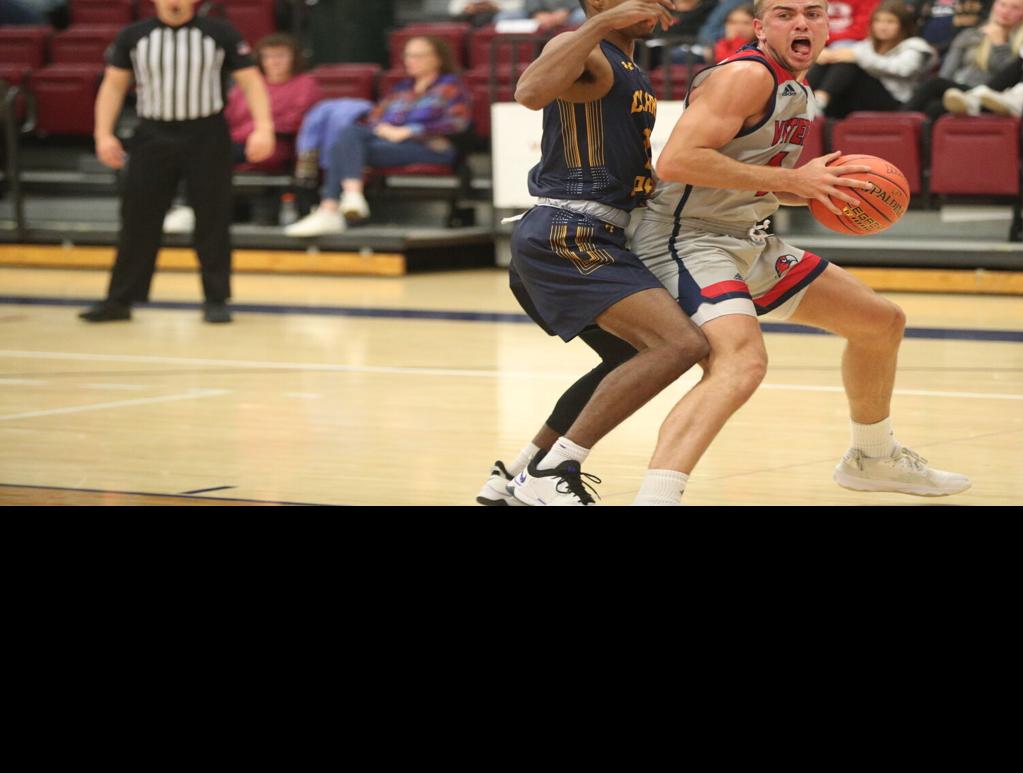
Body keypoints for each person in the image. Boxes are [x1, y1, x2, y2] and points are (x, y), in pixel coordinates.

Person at [620, 0, 970, 504]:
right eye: (785, 13)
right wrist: (791, 179)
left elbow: (746, 176)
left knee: (880, 322)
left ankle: (872, 458)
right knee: (741, 363)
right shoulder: (746, 76)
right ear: (760, 27)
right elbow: (677, 161)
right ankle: (656, 497)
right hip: (685, 237)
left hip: (745, 235)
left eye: (813, 12)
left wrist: (814, 189)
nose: (801, 22)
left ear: (830, 26)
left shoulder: (798, 86)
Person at [475, 0, 715, 507]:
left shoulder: (624, 60)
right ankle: (556, 468)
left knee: (628, 357)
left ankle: (516, 474)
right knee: (679, 346)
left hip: (592, 232)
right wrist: (600, 23)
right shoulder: (583, 45)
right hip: (569, 232)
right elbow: (528, 92)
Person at [80, 0, 274, 325]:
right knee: (138, 218)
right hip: (152, 134)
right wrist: (103, 134)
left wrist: (264, 127)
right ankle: (120, 299)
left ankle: (216, 299)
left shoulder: (219, 33)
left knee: (212, 217)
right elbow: (113, 85)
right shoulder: (134, 35)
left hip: (207, 133)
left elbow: (251, 81)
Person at [283, 35, 472, 236]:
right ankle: (350, 196)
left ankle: (332, 207)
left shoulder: (451, 86)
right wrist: (383, 128)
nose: (410, 60)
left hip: (433, 147)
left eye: (418, 55)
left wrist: (410, 131)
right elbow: (375, 116)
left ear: (438, 58)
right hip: (389, 144)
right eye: (408, 55)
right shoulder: (402, 87)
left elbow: (458, 123)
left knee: (342, 146)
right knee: (348, 135)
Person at [164, 32, 321, 233]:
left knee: (208, 154)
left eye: (281, 56)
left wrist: (256, 131)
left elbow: (300, 120)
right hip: (236, 142)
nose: (275, 62)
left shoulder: (306, 84)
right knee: (192, 148)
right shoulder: (248, 85)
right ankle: (186, 208)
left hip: (278, 145)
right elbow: (226, 116)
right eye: (269, 56)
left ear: (294, 58)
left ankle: (190, 207)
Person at [906, 0, 1023, 121]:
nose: (1006, 11)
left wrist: (999, 44)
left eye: (1015, 7)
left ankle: (898, 120)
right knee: (933, 106)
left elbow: (1010, 77)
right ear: (994, 6)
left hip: (993, 97)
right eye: (1002, 4)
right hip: (958, 95)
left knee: (934, 85)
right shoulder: (970, 34)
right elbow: (947, 73)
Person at [807, 0, 935, 117]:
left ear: (902, 25)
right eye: (878, 21)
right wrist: (826, 55)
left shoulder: (915, 45)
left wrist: (859, 58)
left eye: (890, 22)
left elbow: (904, 69)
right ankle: (804, 101)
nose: (882, 26)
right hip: (863, 99)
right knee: (831, 60)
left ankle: (820, 100)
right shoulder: (867, 45)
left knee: (849, 62)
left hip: (895, 102)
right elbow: (849, 55)